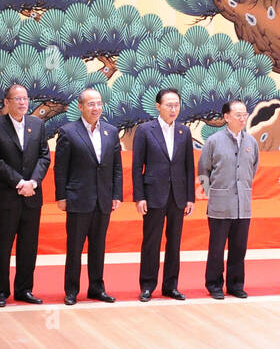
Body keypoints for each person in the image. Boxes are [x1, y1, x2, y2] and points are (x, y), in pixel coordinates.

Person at [54, 88, 123, 305]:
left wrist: (116, 194)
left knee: (98, 246)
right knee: (74, 247)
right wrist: (61, 196)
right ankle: (71, 290)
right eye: (91, 104)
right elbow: (60, 168)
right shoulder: (68, 132)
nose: (96, 108)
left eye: (99, 103)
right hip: (78, 198)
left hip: (103, 199)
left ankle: (96, 288)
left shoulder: (111, 131)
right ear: (80, 107)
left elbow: (116, 168)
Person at [0, 83, 51, 307]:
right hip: (7, 196)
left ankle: (24, 289)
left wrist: (33, 182)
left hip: (32, 195)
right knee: (3, 245)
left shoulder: (37, 124)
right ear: (6, 102)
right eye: (17, 99)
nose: (23, 103)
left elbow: (44, 157)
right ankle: (0, 291)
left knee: (28, 245)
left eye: (25, 98)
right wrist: (19, 182)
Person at [132, 88, 196, 302]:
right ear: (158, 106)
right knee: (151, 242)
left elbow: (189, 167)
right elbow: (136, 167)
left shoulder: (184, 132)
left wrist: (190, 197)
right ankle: (147, 285)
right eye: (169, 105)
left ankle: (171, 286)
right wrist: (139, 197)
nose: (173, 109)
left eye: (176, 105)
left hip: (177, 196)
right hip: (153, 195)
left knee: (174, 242)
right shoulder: (144, 130)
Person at [198, 99, 258, 299]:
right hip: (220, 204)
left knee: (239, 247)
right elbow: (203, 170)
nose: (243, 118)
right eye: (238, 115)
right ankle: (214, 284)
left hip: (243, 204)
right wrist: (210, 193)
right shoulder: (214, 141)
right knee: (216, 248)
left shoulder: (251, 142)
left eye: (245, 114)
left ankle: (236, 284)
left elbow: (253, 168)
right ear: (226, 117)